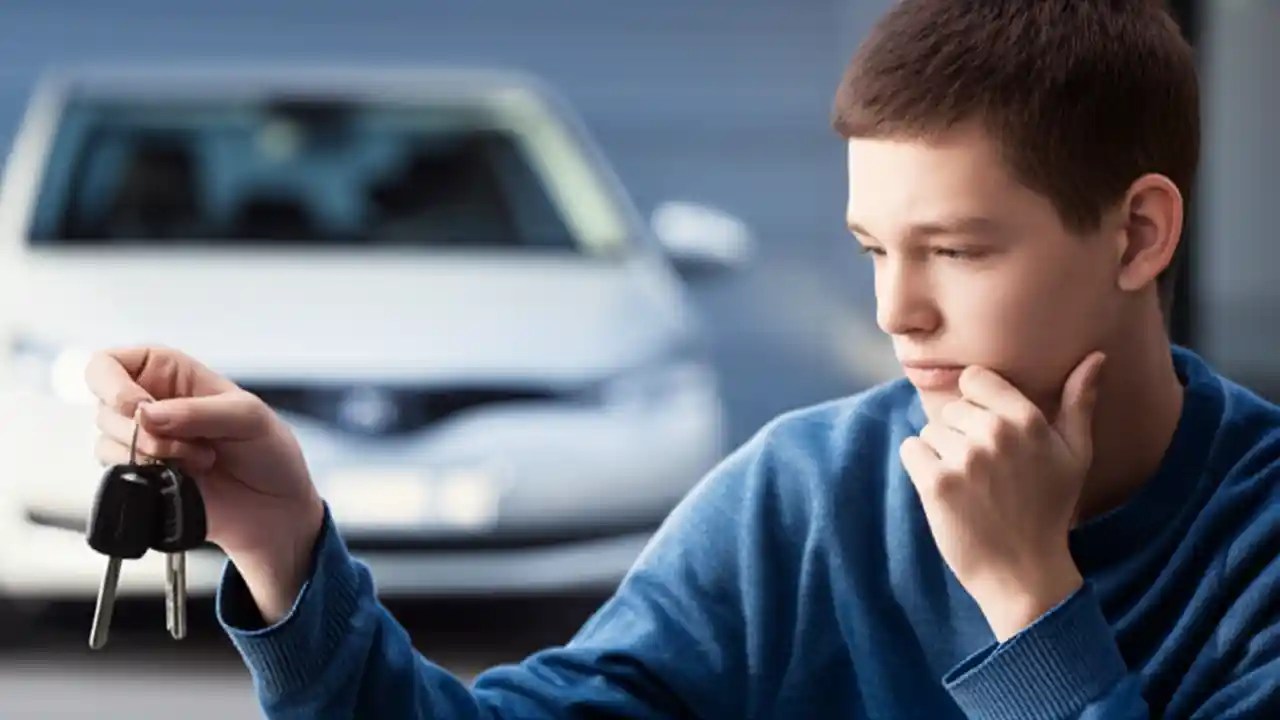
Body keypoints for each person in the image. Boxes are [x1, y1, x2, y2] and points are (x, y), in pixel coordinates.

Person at [83, 1, 1280, 717]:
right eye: (871, 248)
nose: (896, 313)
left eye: (957, 252)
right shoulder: (801, 497)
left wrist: (1028, 603)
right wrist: (284, 548)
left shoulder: (1255, 537)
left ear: (1136, 234)